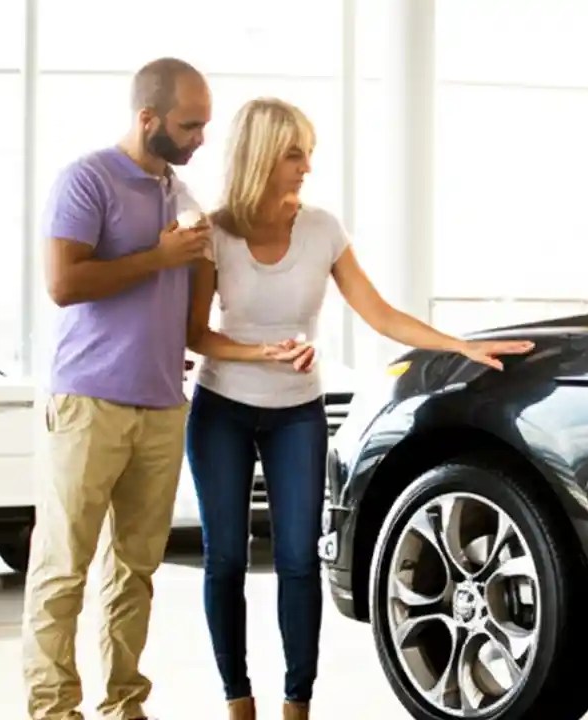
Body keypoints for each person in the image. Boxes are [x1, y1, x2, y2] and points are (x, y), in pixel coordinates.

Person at [185, 97, 535, 720]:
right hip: (222, 410)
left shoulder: (322, 229)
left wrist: (459, 343)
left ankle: (297, 706)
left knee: (297, 560)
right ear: (262, 154)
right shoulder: (215, 231)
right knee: (227, 560)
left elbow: (379, 313)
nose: (305, 167)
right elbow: (195, 335)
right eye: (295, 153)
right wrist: (261, 351)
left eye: (309, 153)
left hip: (298, 412)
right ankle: (238, 701)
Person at [21, 57, 213, 720]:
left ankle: (124, 705)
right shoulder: (86, 179)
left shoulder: (179, 195)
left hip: (161, 406)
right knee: (63, 567)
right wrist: (159, 258)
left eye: (204, 126)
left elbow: (184, 300)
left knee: (135, 571)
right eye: (190, 126)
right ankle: (52, 710)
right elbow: (64, 284)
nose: (200, 139)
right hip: (87, 404)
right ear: (147, 118)